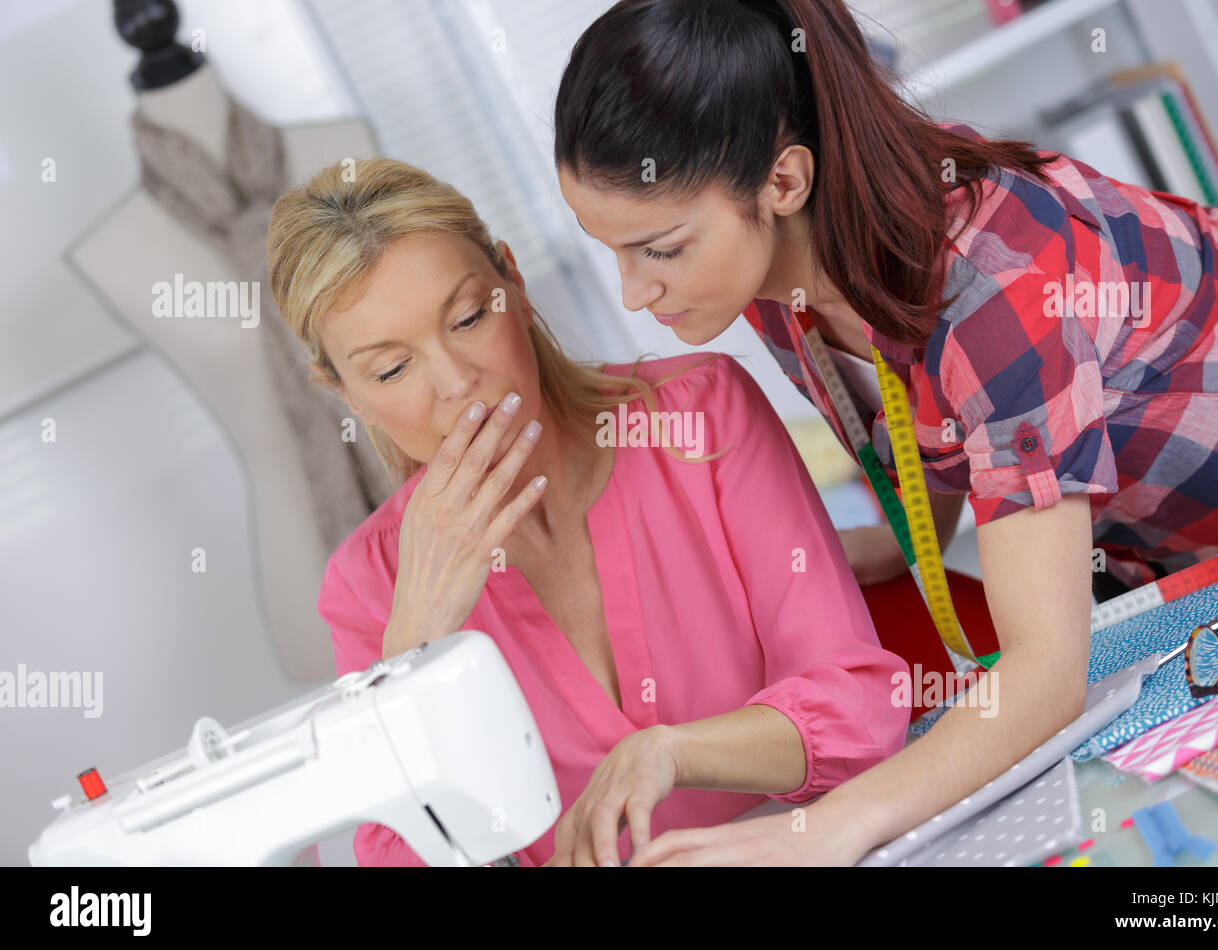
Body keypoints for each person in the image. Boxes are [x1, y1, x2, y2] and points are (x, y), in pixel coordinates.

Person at [552, 0, 1218, 864]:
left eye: (662, 248)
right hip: (1177, 560)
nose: (632, 293)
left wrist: (820, 832)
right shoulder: (776, 280)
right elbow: (915, 413)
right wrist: (901, 539)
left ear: (784, 183)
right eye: (611, 249)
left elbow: (1044, 675)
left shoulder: (992, 278)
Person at [265, 157, 911, 867]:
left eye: (471, 316)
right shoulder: (368, 587)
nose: (457, 384)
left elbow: (860, 707)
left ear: (512, 279)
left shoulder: (700, 415)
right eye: (390, 370)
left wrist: (671, 753)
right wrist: (414, 654)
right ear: (347, 396)